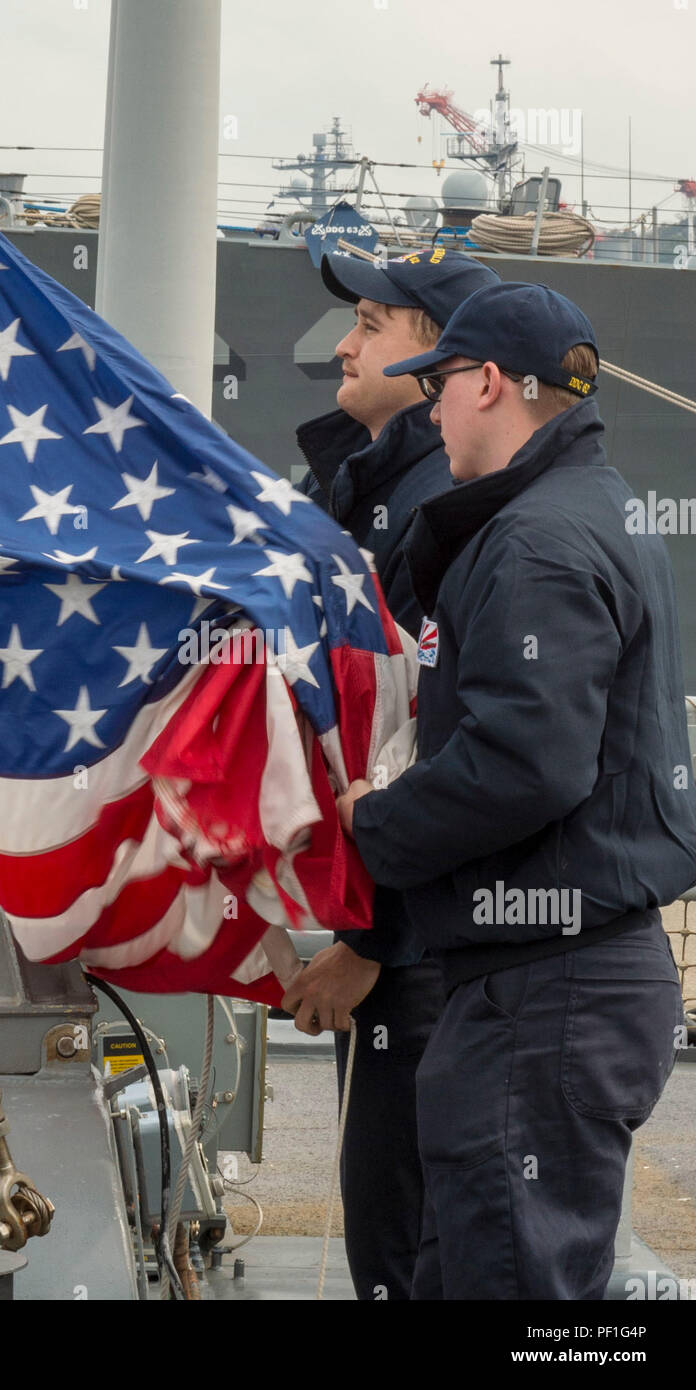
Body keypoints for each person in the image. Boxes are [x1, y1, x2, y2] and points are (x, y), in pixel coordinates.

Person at [335, 280, 696, 1300]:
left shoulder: (532, 539)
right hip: (553, 982)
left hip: (547, 991)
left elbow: (528, 760)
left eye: (440, 384)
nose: (432, 408)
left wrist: (372, 825)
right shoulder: (588, 508)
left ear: (488, 382)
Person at [281, 246, 500, 1300]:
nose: (341, 344)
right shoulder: (377, 484)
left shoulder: (431, 502)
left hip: (414, 958)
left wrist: (371, 943)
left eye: (372, 321)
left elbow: (436, 736)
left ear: (442, 361)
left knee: (408, 1243)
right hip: (398, 933)